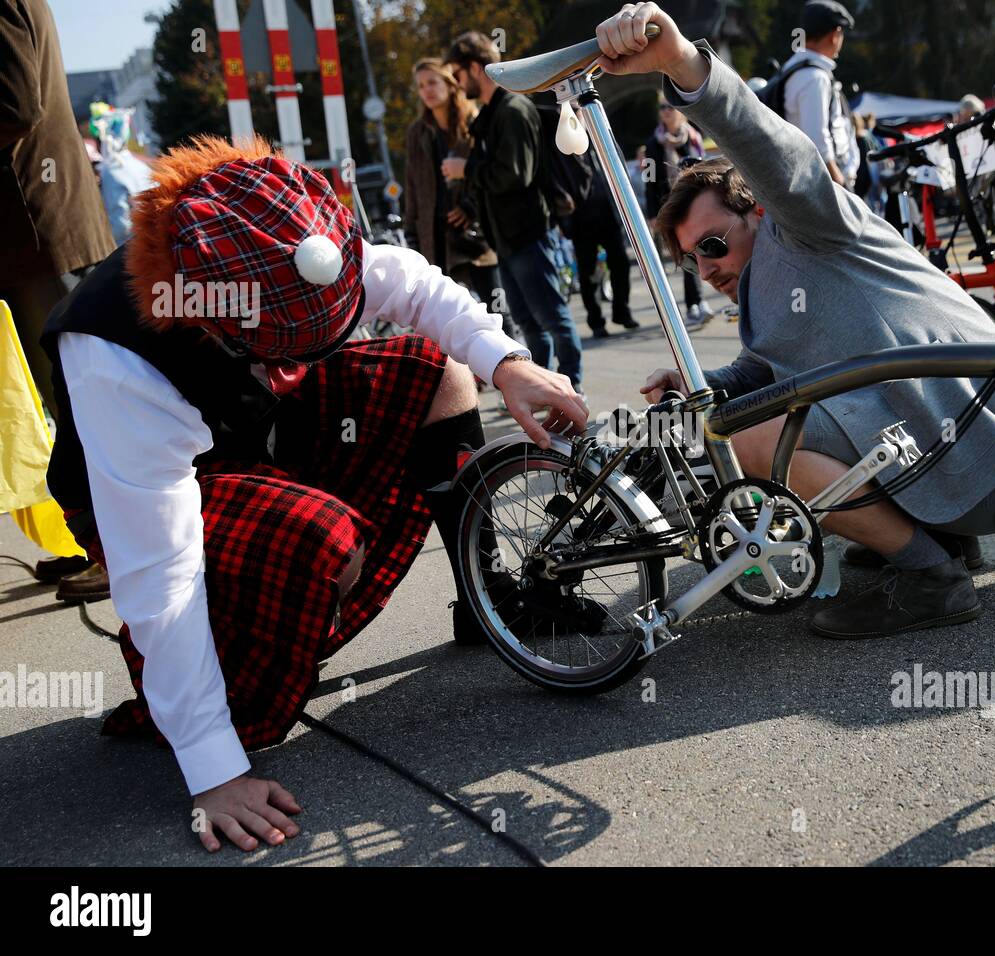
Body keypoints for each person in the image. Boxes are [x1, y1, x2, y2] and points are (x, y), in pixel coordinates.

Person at [40, 136, 587, 852]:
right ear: (214, 319)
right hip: (147, 494)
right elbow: (160, 579)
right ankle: (231, 693)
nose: (300, 368)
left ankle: (485, 602)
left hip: (247, 429)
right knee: (320, 537)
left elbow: (416, 287)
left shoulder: (295, 225)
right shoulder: (118, 358)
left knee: (440, 370)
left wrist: (507, 362)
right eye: (287, 354)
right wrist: (212, 769)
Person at [599, 3, 995, 639]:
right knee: (755, 412)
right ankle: (940, 538)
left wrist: (683, 65)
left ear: (758, 209)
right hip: (978, 452)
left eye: (712, 245)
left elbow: (775, 150)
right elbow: (764, 368)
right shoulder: (764, 290)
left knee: (754, 440)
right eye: (692, 260)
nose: (706, 269)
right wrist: (696, 381)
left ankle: (932, 579)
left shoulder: (809, 226)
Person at [1, 0, 117, 601]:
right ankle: (95, 543)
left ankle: (114, 550)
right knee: (69, 401)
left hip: (37, 235)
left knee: (80, 401)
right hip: (37, 234)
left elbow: (14, 106)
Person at [444, 31, 585, 391]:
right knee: (530, 323)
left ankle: (574, 389)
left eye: (458, 76)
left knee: (553, 319)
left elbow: (515, 175)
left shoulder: (512, 109)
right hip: (506, 238)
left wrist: (466, 170)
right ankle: (549, 389)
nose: (457, 86)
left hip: (529, 233)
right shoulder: (491, 115)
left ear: (475, 68)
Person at [404, 57, 517, 340]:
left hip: (474, 233)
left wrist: (470, 208)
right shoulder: (417, 133)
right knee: (452, 316)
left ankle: (517, 372)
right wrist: (412, 232)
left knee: (496, 309)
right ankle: (470, 379)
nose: (427, 90)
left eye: (432, 82)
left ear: (449, 83)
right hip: (435, 235)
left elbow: (490, 171)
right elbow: (413, 186)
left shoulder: (474, 121)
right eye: (421, 86)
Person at [644, 99, 714, 328]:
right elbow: (650, 181)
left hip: (696, 203)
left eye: (669, 107)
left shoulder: (693, 137)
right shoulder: (653, 144)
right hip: (670, 206)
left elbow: (704, 168)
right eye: (661, 107)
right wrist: (653, 213)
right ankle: (695, 304)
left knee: (699, 252)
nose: (665, 111)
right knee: (686, 254)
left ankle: (698, 302)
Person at [779, 0, 861, 189]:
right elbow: (817, 141)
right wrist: (840, 185)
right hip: (826, 185)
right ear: (835, 34)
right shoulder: (814, 77)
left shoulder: (796, 68)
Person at [565, 145, 639, 336]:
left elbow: (619, 167)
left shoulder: (598, 136)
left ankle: (622, 311)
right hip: (580, 221)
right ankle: (596, 321)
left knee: (621, 264)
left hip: (609, 215)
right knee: (588, 274)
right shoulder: (562, 141)